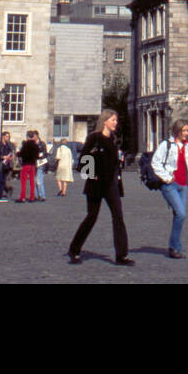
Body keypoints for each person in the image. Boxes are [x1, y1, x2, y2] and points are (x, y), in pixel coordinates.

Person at [67, 110, 132, 266]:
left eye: (116, 120)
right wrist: (92, 174)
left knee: (118, 217)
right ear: (105, 121)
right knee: (91, 217)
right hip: (96, 184)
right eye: (113, 120)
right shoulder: (94, 138)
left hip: (111, 185)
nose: (115, 123)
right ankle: (74, 249)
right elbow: (83, 161)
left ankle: (121, 255)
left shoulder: (114, 140)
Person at [150, 120, 188, 259]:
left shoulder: (187, 147)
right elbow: (155, 162)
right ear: (178, 131)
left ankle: (175, 247)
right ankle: (174, 247)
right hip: (170, 185)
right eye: (184, 130)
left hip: (183, 186)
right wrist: (167, 177)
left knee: (178, 215)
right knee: (181, 214)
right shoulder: (166, 145)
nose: (186, 133)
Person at [18, 130, 41, 203]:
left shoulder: (25, 144)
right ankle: (32, 197)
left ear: (27, 136)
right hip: (33, 165)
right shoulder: (36, 145)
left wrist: (17, 153)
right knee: (32, 182)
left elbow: (21, 154)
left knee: (23, 181)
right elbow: (38, 155)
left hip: (26, 164)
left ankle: (23, 197)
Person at [0, 132, 15, 202]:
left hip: (6, 165)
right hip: (0, 164)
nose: (8, 138)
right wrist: (2, 157)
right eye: (6, 136)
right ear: (3, 136)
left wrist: (10, 157)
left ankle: (0, 195)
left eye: (8, 136)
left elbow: (10, 153)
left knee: (3, 181)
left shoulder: (8, 145)